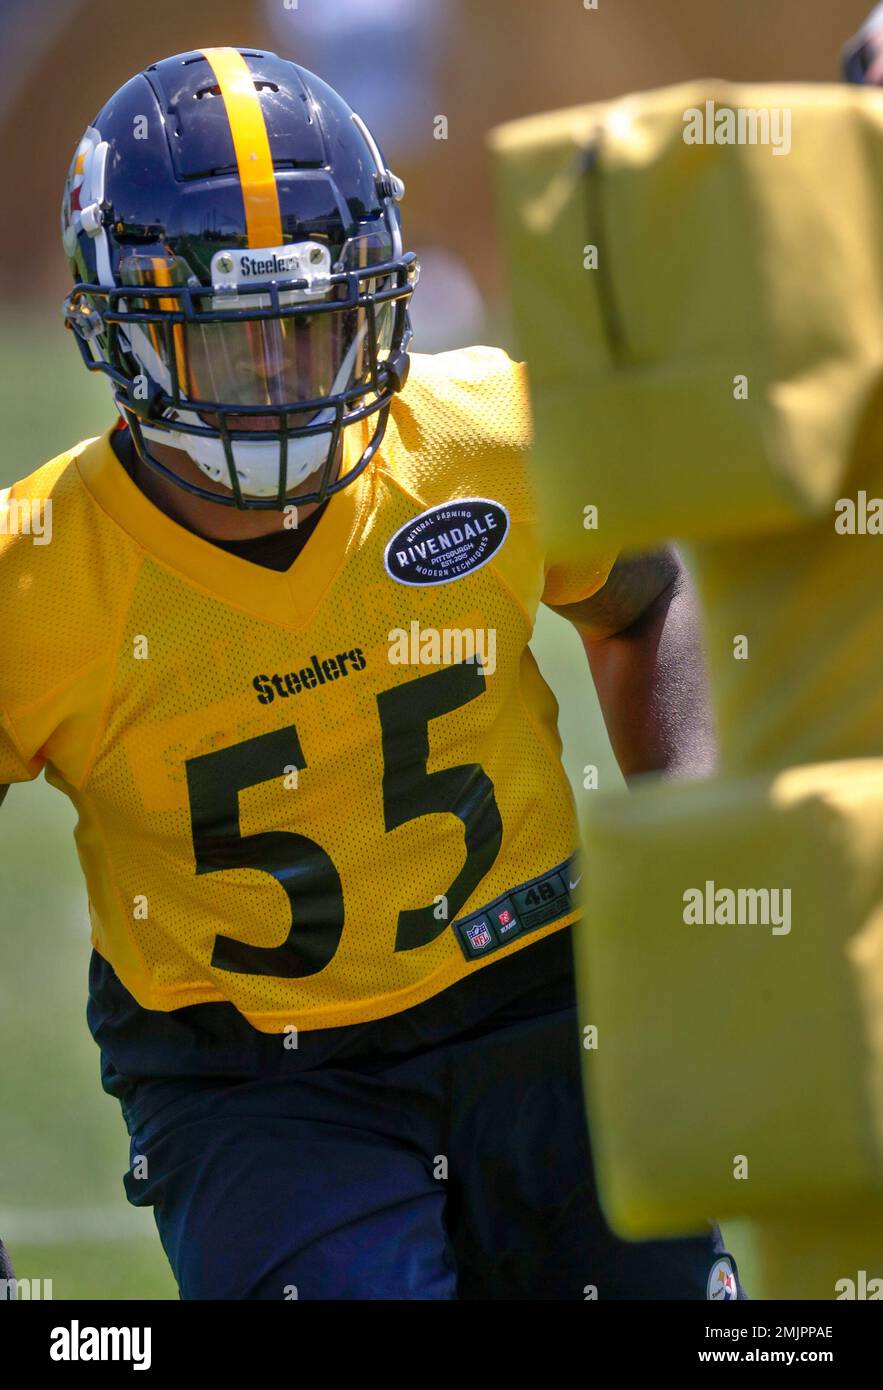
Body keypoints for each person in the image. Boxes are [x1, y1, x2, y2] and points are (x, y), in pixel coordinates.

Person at [0, 46, 737, 1299]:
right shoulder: (39, 573)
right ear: (122, 332)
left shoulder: (481, 437)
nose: (283, 381)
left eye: (313, 325)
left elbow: (647, 594)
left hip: (539, 996)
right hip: (253, 1078)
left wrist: (692, 841)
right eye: (234, 346)